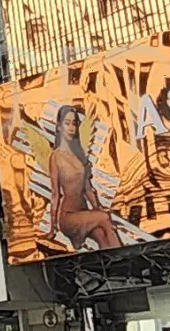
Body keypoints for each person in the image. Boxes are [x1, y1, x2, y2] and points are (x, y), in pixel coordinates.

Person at [46, 105, 123, 251]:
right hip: (68, 217)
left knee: (101, 233)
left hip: (84, 212)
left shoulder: (79, 155)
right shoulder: (55, 157)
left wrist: (96, 208)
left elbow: (88, 188)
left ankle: (115, 267)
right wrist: (52, 227)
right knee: (104, 218)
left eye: (74, 123)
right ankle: (124, 254)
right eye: (67, 123)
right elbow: (55, 193)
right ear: (59, 127)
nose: (71, 128)